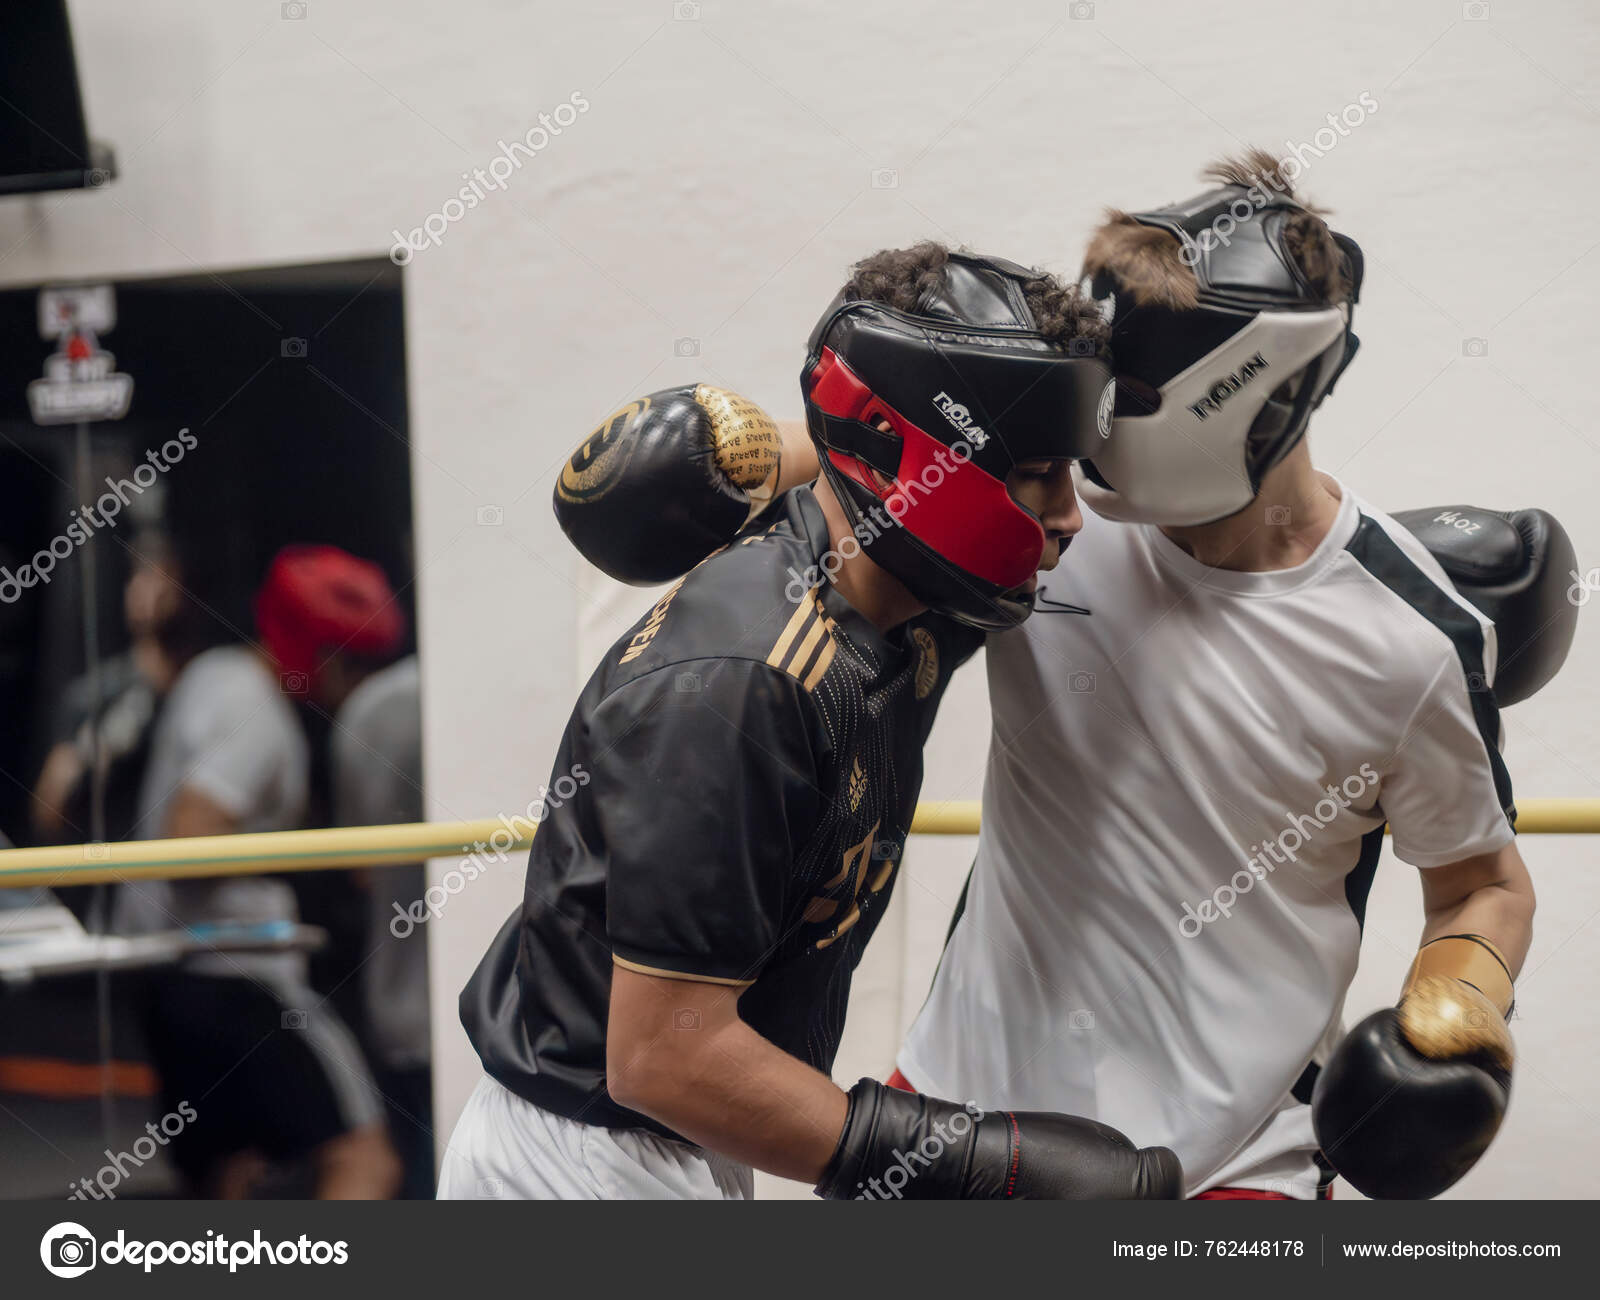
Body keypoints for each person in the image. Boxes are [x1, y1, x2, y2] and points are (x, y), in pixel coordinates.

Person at [550, 153, 1575, 1199]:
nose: (1091, 446)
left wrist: (1462, 1005)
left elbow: (1482, 882)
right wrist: (738, 448)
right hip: (953, 1117)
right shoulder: (1036, 514)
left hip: (1228, 1158)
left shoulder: (1407, 640)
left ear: (1256, 394)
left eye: (1133, 397)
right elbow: (893, 446)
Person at [441, 245, 1182, 1200]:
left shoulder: (901, 588)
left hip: (678, 1139)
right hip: (585, 1158)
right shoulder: (742, 683)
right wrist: (980, 1166)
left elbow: (881, 457)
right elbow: (661, 1060)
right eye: (1038, 474)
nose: (1070, 517)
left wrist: (821, 435)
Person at [116, 544, 405, 1199]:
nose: (352, 681)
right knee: (365, 1158)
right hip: (239, 976)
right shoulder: (259, 721)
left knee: (231, 1172)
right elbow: (190, 839)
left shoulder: (216, 673)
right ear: (317, 650)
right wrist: (311, 860)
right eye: (349, 660)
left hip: (176, 973)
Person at [331, 651, 434, 1199]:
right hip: (487, 1009)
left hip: (396, 1002)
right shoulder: (498, 687)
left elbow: (360, 871)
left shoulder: (366, 708)